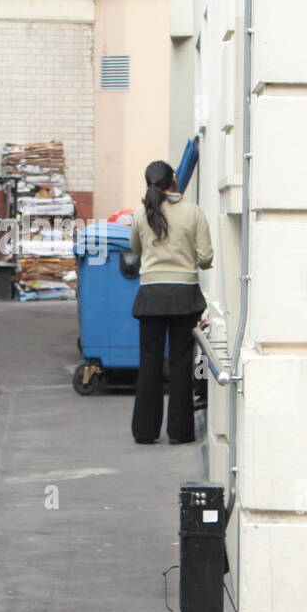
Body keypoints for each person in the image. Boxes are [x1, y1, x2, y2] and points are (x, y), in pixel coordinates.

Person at [129, 160, 213, 445]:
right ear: (174, 180)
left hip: (151, 295)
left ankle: (144, 431)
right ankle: (180, 432)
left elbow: (135, 249)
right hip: (184, 296)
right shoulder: (193, 212)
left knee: (149, 363)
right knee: (180, 364)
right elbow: (205, 257)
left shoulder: (142, 212)